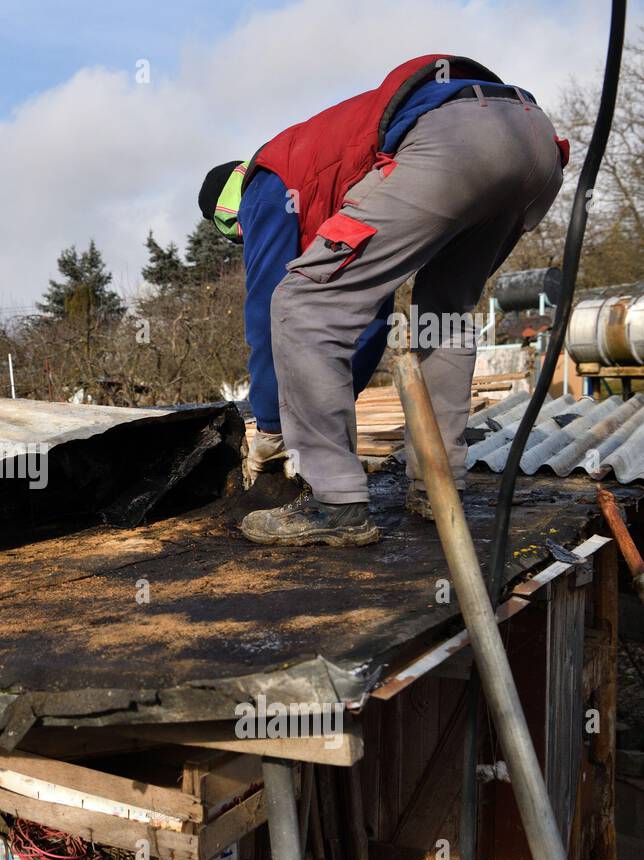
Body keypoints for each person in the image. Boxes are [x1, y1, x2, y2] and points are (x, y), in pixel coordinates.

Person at [199, 54, 567, 546]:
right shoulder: (317, 166)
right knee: (444, 315)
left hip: (453, 140)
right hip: (529, 138)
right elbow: (366, 319)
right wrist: (318, 402)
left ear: (231, 210)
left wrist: (270, 427)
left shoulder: (264, 184)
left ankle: (336, 505)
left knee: (299, 302)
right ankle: (438, 487)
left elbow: (270, 312)